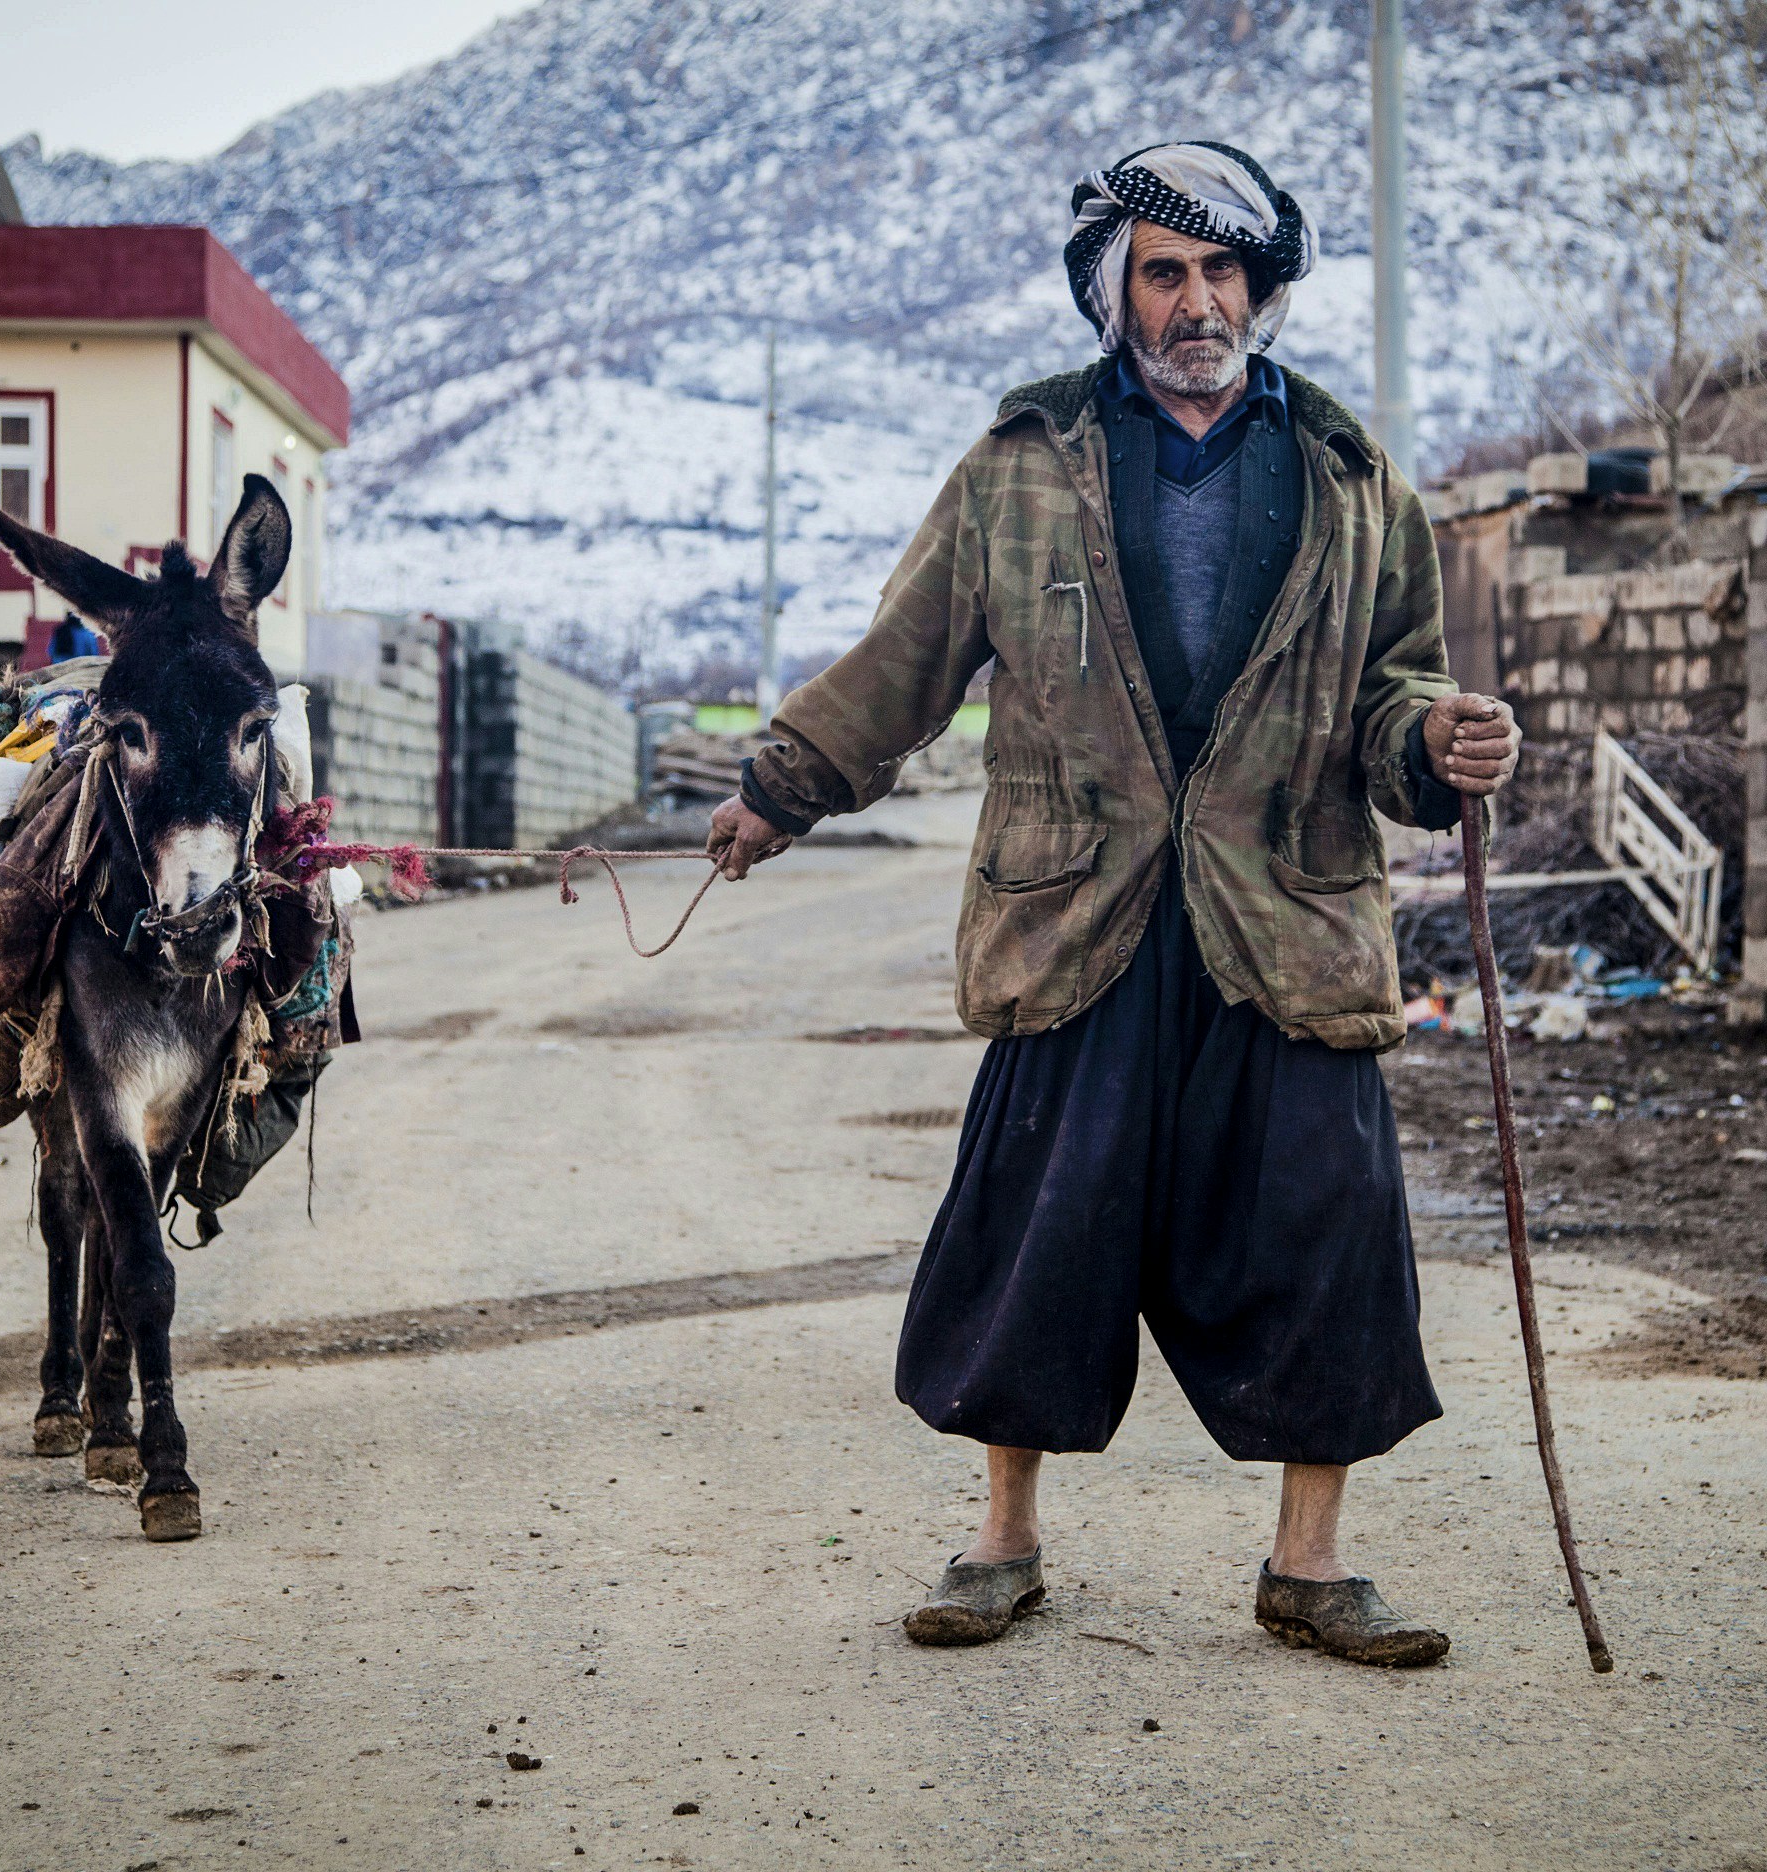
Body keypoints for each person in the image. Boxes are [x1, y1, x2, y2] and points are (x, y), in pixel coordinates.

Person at [709, 142, 1518, 1667]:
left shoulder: (1353, 481)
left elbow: (1399, 692)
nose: (1197, 300)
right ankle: (1002, 1542)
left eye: (1223, 272)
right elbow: (906, 661)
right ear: (1114, 293)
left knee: (1321, 1235)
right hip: (1076, 915)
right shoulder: (1023, 466)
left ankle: (1311, 1566)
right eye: (1163, 271)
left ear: (1262, 289)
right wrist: (781, 786)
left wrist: (1440, 743)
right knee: (1038, 1234)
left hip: (1285, 915)